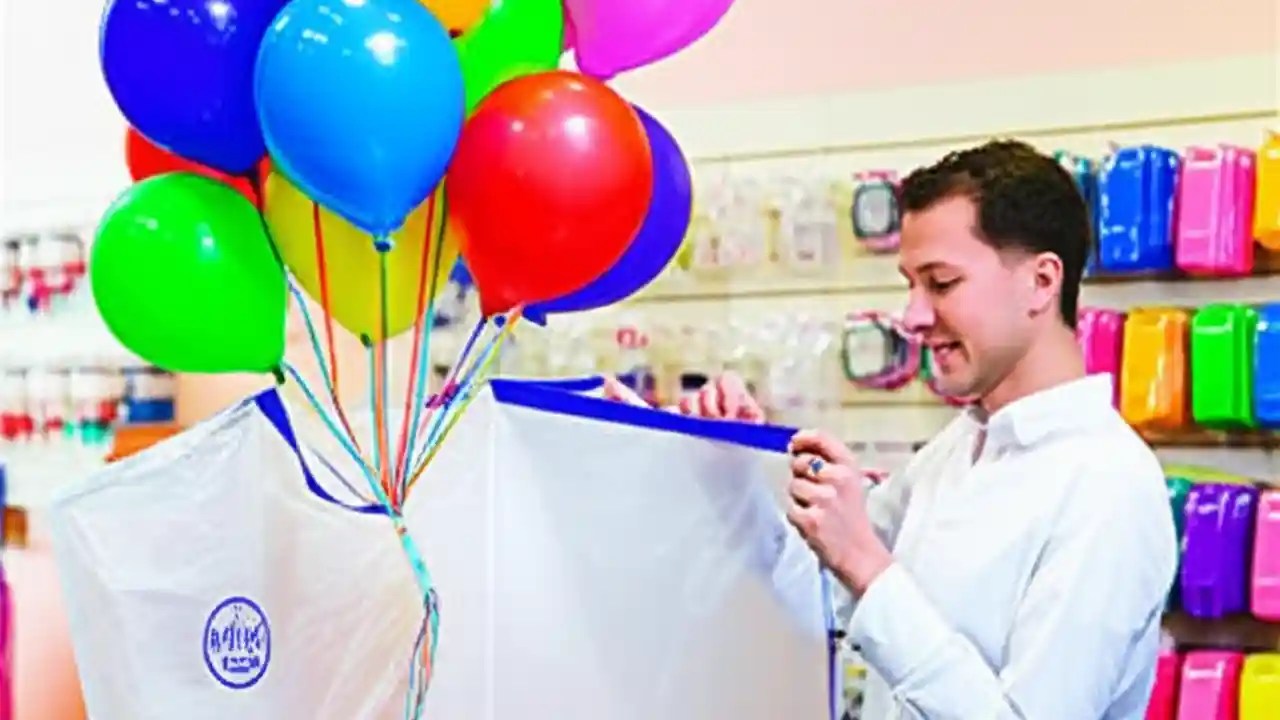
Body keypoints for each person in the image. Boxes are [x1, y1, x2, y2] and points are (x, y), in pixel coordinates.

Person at [604, 140, 1178, 719]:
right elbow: (816, 599)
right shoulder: (959, 449)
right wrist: (735, 476)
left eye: (942, 282)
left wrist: (866, 563)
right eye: (910, 283)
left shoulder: (1107, 487)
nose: (912, 317)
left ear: (1041, 281)